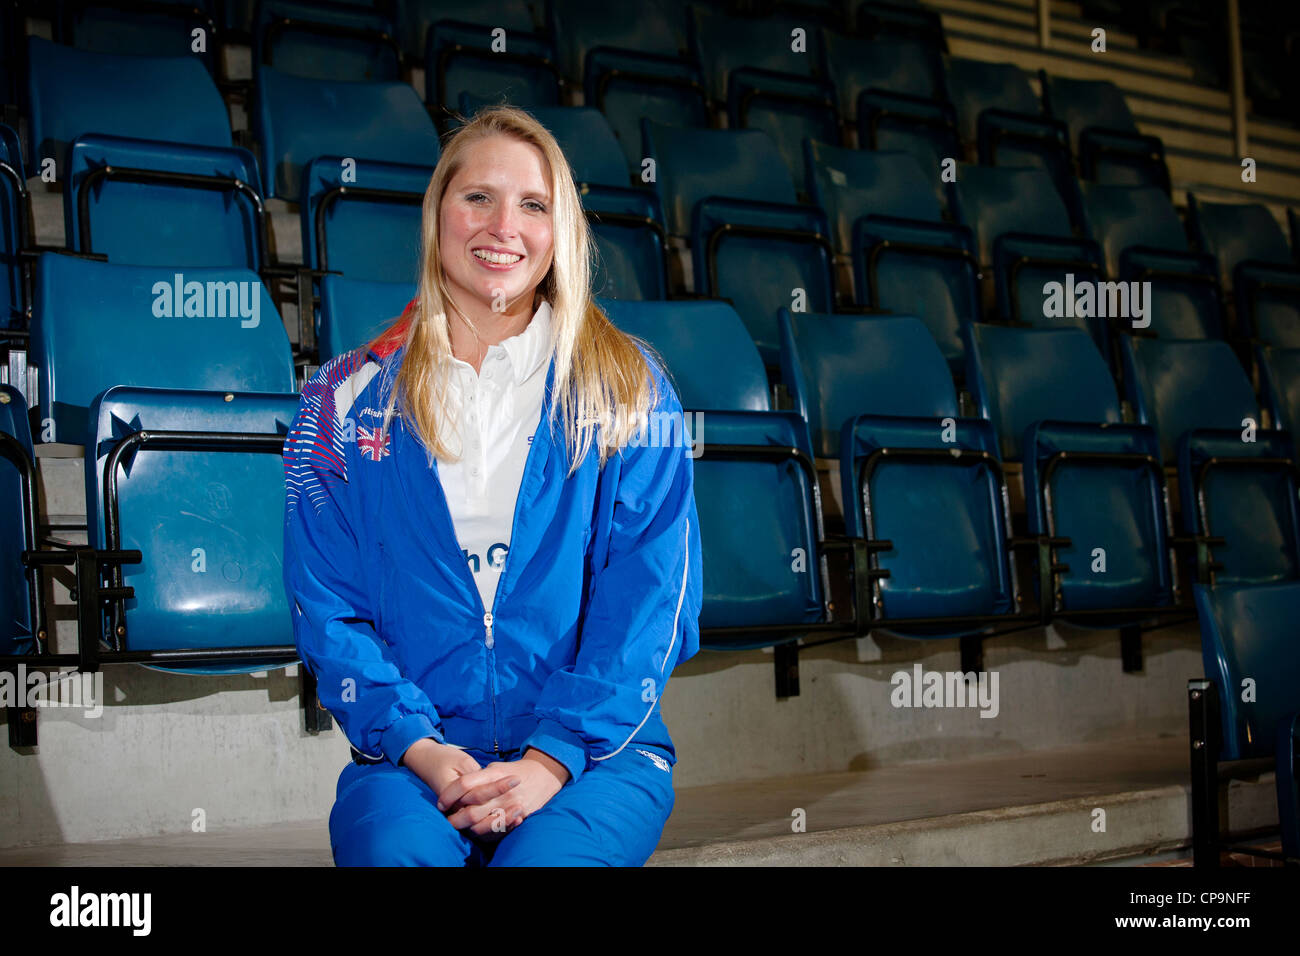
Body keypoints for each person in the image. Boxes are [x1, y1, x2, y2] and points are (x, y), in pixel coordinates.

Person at [281, 105, 702, 867]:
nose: (504, 225)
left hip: (596, 756)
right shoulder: (340, 398)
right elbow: (327, 606)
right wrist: (420, 748)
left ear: (560, 231)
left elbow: (651, 599)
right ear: (437, 214)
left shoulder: (629, 389)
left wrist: (551, 759)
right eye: (478, 196)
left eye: (533, 204)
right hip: (412, 761)